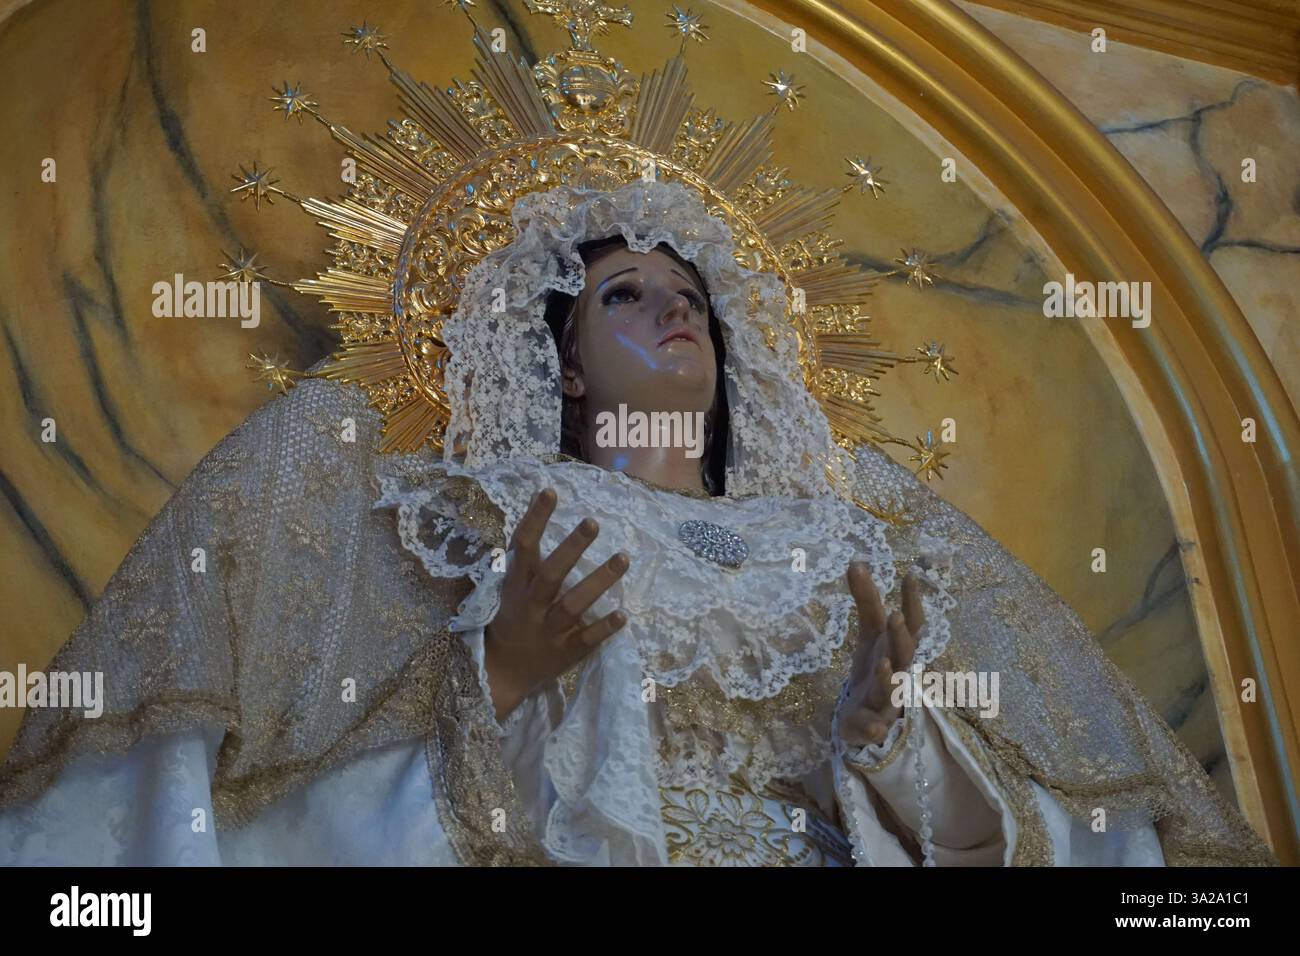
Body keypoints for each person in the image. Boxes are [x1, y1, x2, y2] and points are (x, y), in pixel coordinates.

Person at [0, 180, 1272, 866]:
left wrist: (891, 748)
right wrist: (496, 678)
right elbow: (285, 808)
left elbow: (1023, 842)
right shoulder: (471, 517)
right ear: (557, 362)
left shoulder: (840, 543)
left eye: (692, 298)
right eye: (627, 294)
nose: (677, 314)